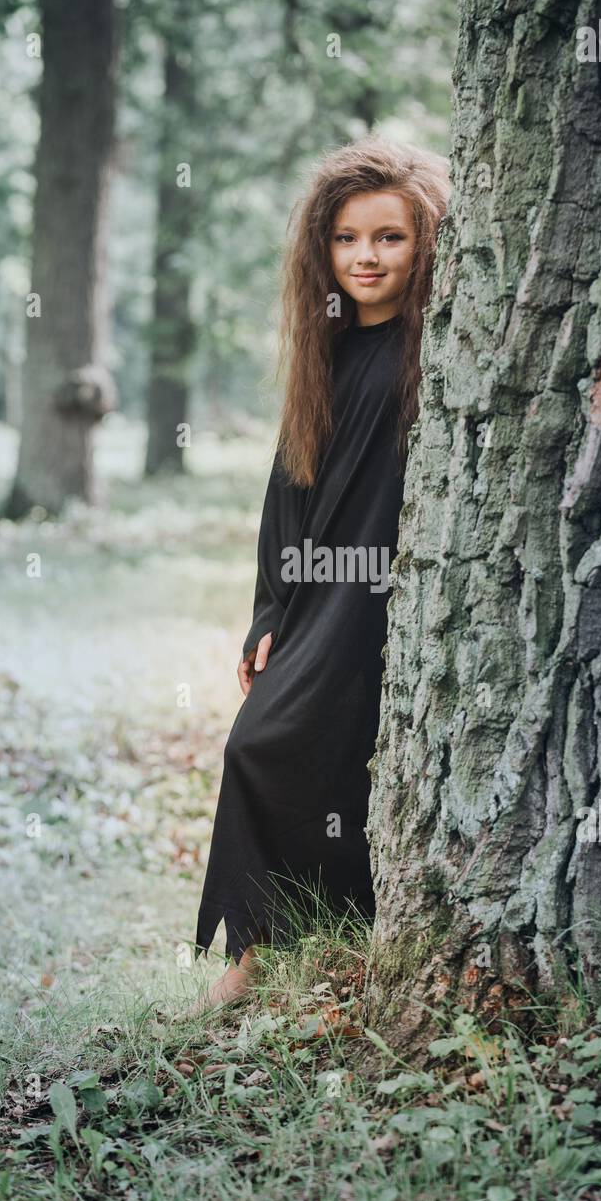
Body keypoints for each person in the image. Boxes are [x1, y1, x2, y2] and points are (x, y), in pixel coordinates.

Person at [191, 137, 449, 1014]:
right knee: (260, 738)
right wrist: (269, 609)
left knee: (322, 749)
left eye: (390, 238)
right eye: (347, 239)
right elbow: (290, 485)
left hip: (394, 587)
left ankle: (308, 936)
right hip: (320, 586)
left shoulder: (437, 347)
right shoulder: (326, 347)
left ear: (426, 243)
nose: (367, 258)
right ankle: (263, 945)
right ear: (322, 250)